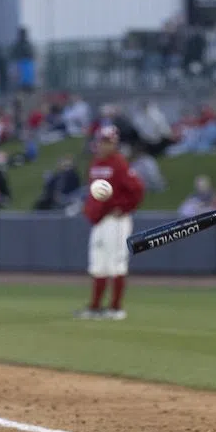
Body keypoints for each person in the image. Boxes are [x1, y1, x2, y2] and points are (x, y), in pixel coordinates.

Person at [76, 126, 144, 321]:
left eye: (108, 142)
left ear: (114, 143)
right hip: (99, 220)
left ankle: (115, 308)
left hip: (116, 220)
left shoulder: (119, 164)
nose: (104, 145)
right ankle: (95, 307)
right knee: (98, 263)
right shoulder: (95, 163)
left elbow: (137, 190)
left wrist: (124, 208)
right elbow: (93, 193)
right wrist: (89, 209)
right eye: (102, 141)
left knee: (116, 263)